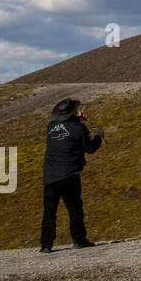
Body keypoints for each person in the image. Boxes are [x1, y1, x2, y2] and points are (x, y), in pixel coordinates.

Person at [39, 98, 104, 253]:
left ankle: (46, 244)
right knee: (74, 209)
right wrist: (98, 137)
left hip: (50, 176)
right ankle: (79, 239)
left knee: (49, 212)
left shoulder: (51, 127)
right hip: (69, 175)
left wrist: (77, 118)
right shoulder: (79, 129)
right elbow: (90, 148)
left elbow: (65, 129)